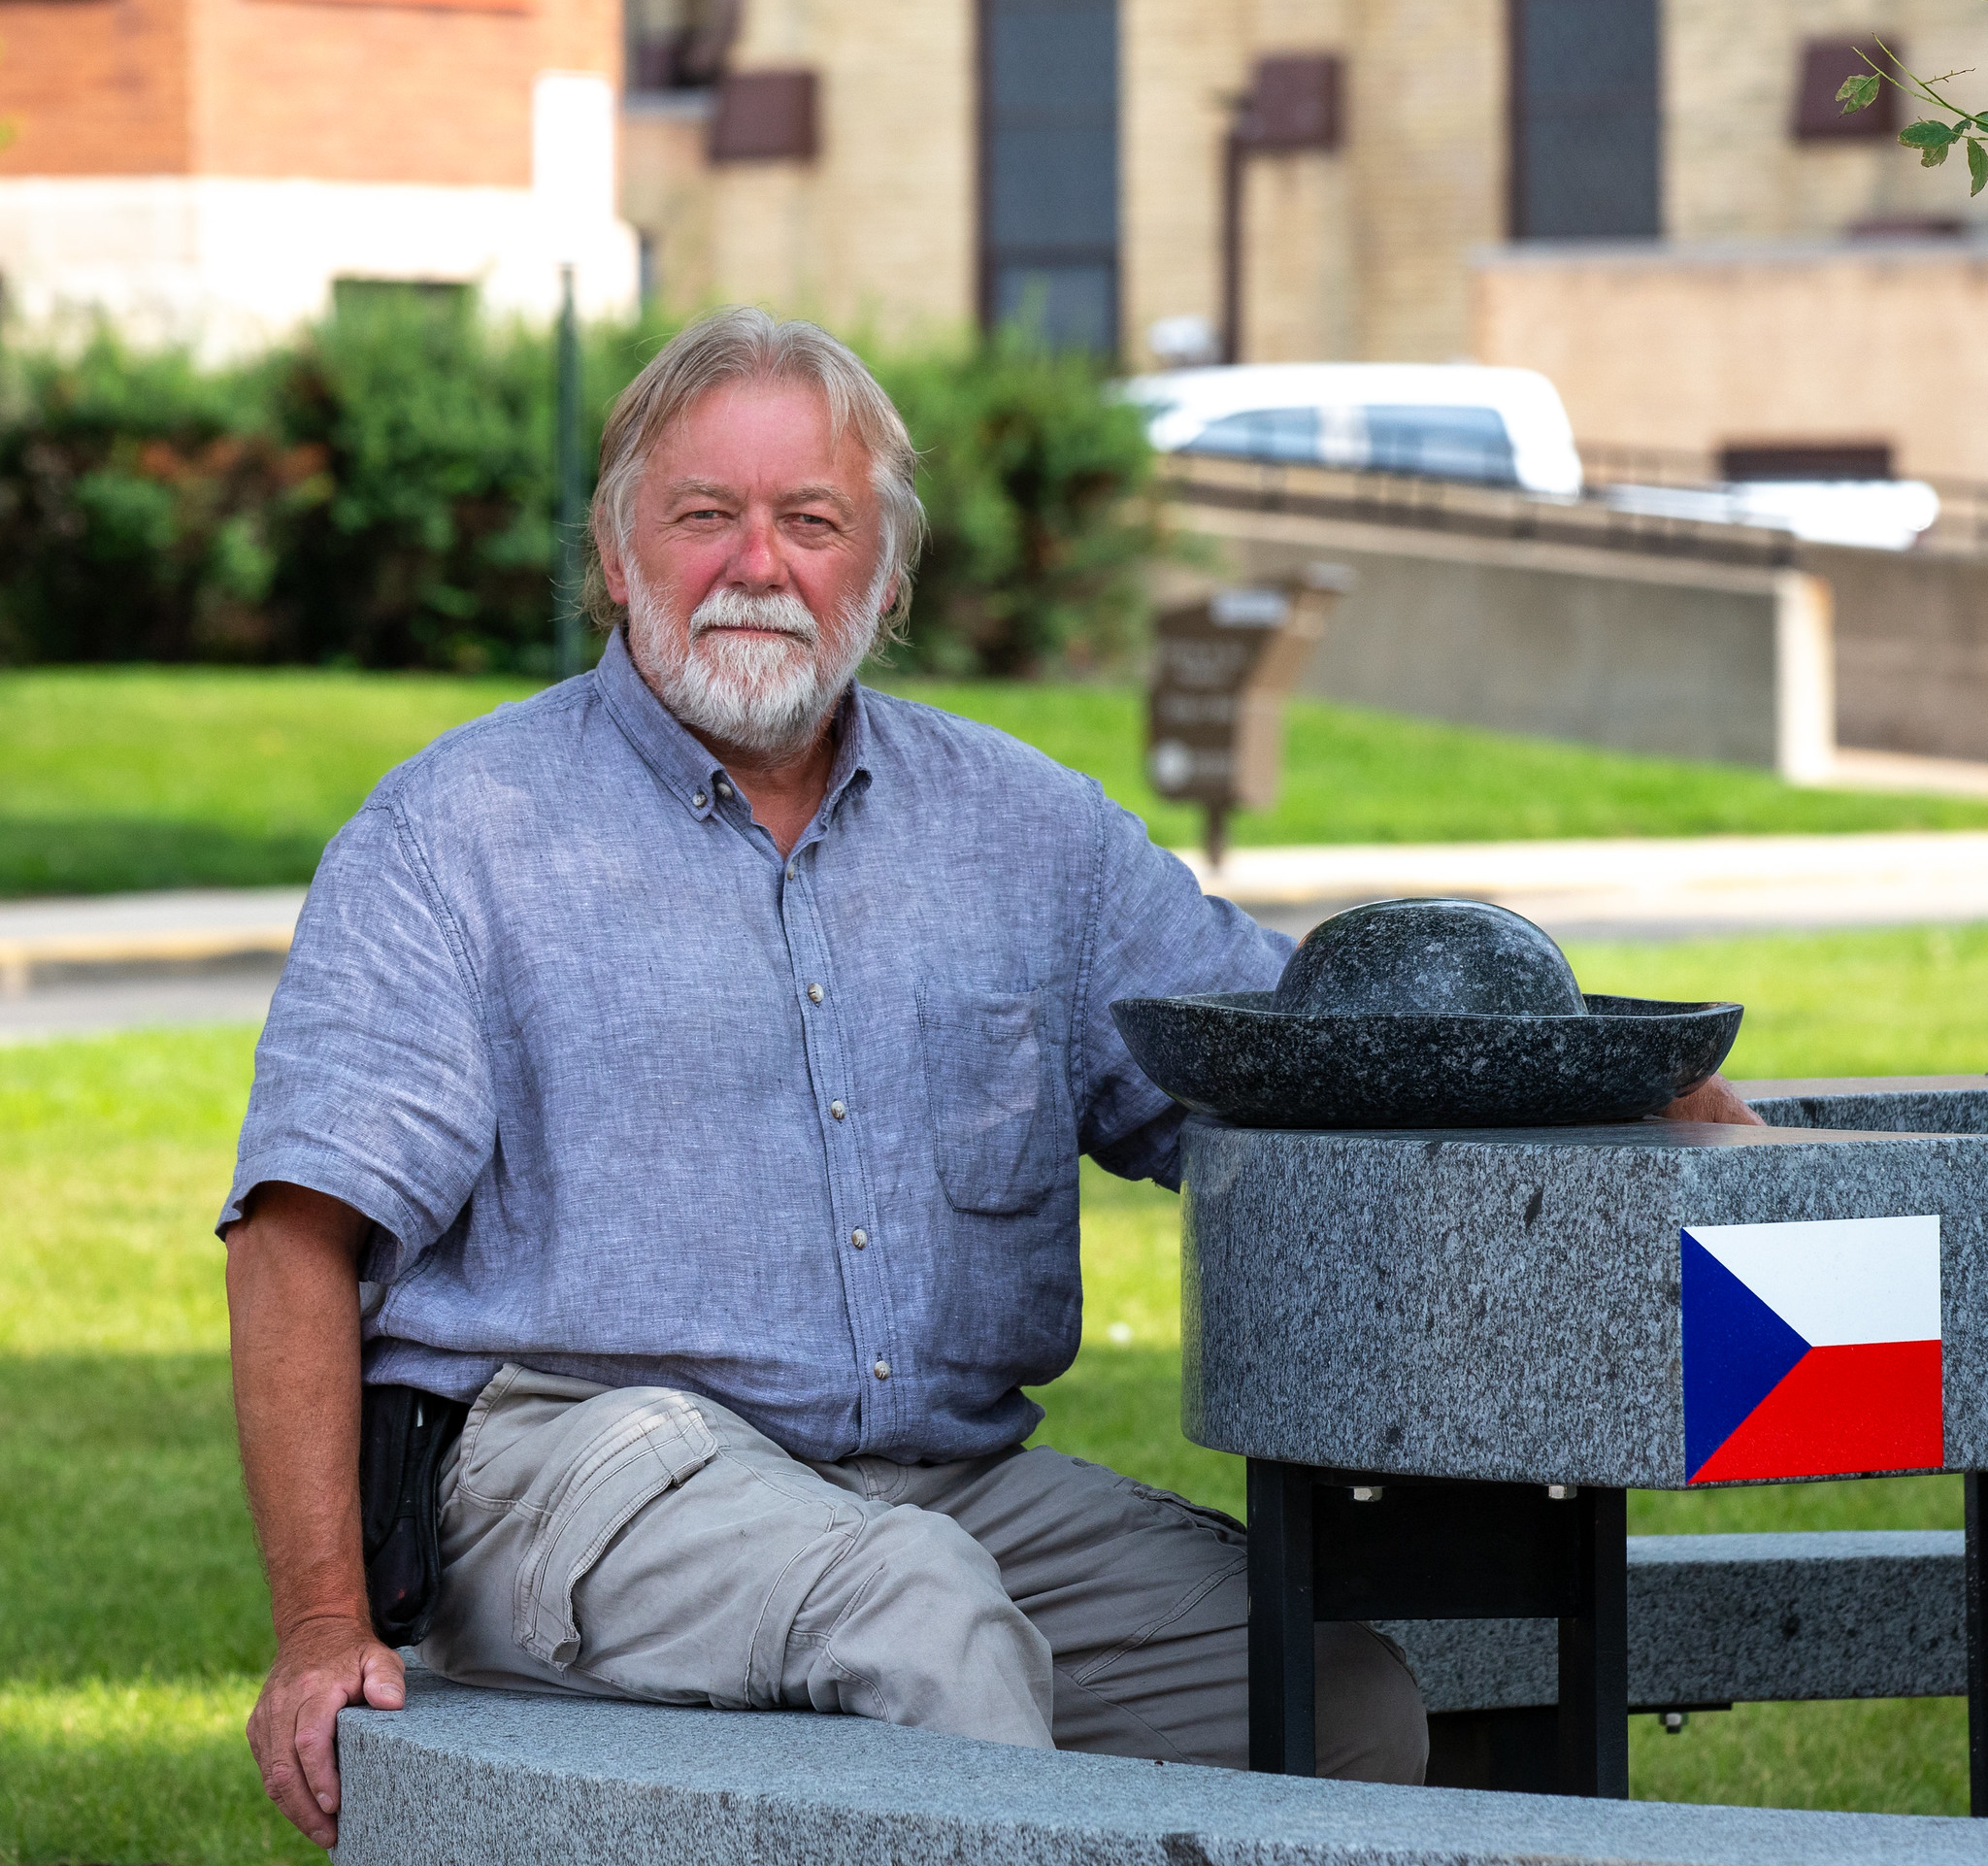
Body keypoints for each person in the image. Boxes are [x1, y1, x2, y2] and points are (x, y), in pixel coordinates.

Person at [221, 308, 1757, 1849]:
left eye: (810, 521)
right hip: (573, 1464)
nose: (757, 563)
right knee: (920, 1621)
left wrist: (1593, 1071)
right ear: (620, 559)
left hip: (933, 1485)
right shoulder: (457, 833)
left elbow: (1291, 1044)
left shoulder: (1028, 836)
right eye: (704, 516)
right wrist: (314, 1628)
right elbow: (296, 1236)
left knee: (1340, 1705)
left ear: (881, 581)